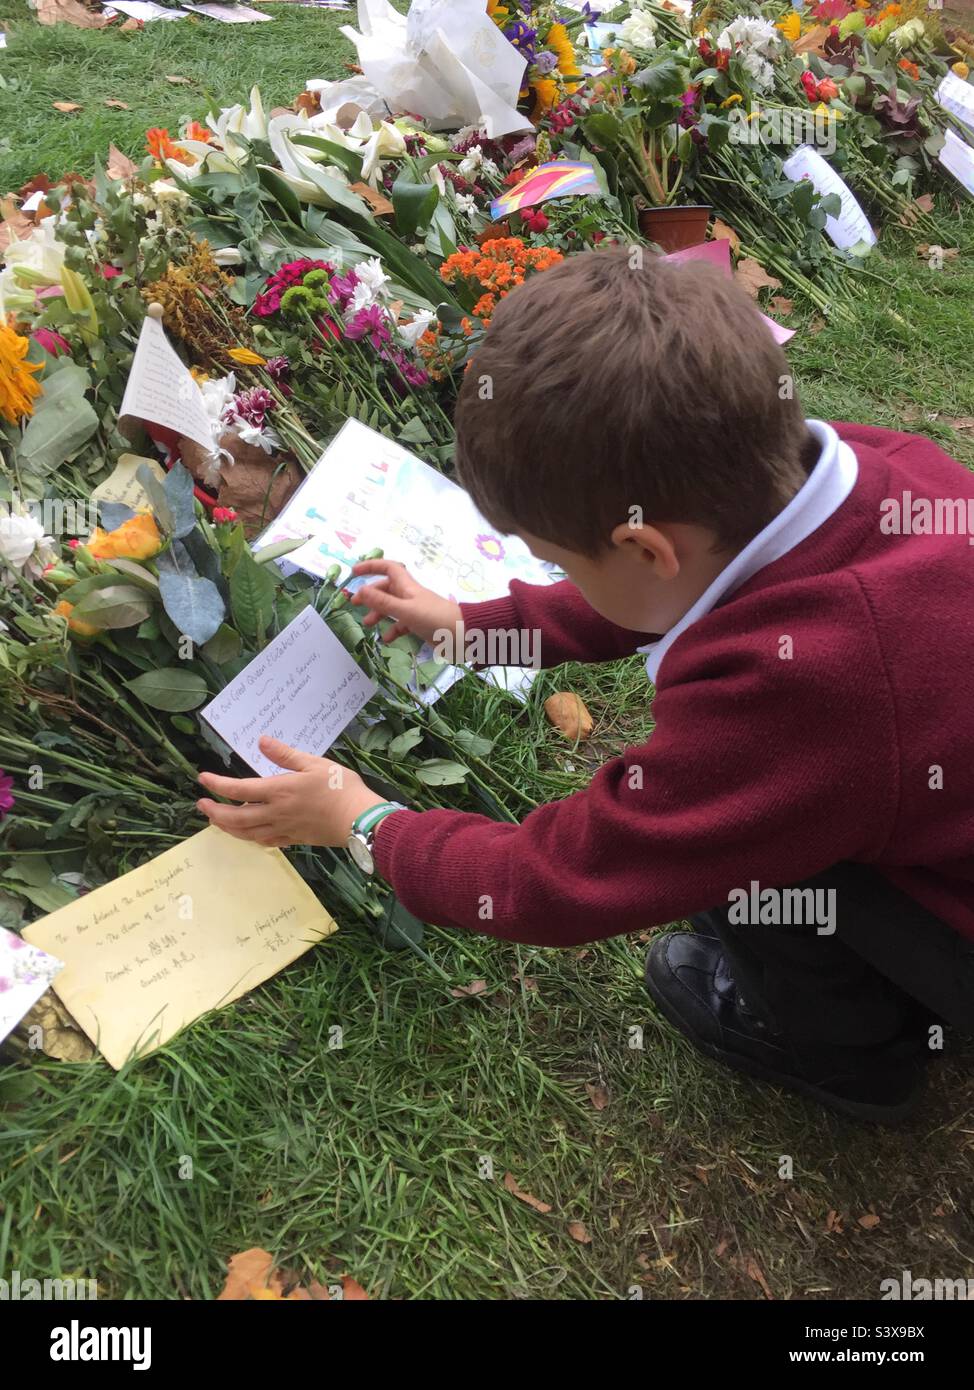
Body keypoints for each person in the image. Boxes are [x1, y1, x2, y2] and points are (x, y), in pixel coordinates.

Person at [198, 247, 974, 1125]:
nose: (552, 570)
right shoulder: (872, 471)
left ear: (646, 547)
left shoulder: (799, 692)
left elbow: (560, 879)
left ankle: (853, 1058)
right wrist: (478, 625)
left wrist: (365, 822)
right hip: (928, 803)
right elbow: (670, 593)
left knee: (736, 855)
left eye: (555, 558)